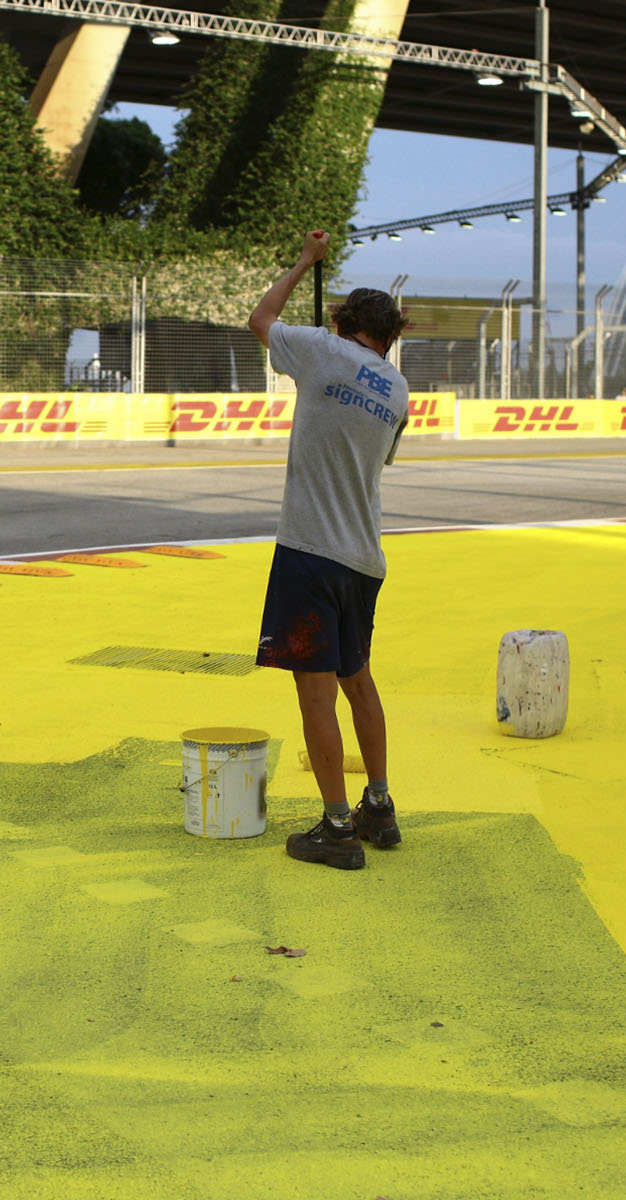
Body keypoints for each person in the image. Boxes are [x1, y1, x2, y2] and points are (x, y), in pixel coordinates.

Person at [246, 230, 409, 871]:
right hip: (363, 559)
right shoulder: (397, 392)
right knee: (357, 681)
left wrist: (306, 261)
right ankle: (379, 803)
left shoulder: (318, 350)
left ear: (340, 323)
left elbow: (262, 319)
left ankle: (337, 827)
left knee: (314, 694)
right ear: (389, 335)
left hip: (310, 550)